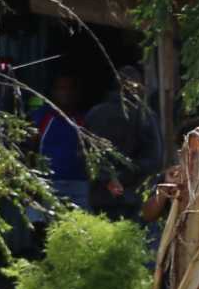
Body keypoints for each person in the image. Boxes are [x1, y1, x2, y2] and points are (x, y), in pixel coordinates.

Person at [82, 64, 162, 219]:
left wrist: (109, 179)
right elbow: (154, 159)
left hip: (101, 196)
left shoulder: (95, 114)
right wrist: (122, 178)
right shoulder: (145, 116)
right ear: (140, 87)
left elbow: (85, 156)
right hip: (134, 196)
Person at [34, 69, 92, 207]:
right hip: (50, 184)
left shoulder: (83, 120)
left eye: (70, 89)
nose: (66, 93)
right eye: (61, 88)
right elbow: (29, 148)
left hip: (79, 184)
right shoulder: (42, 118)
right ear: (53, 92)